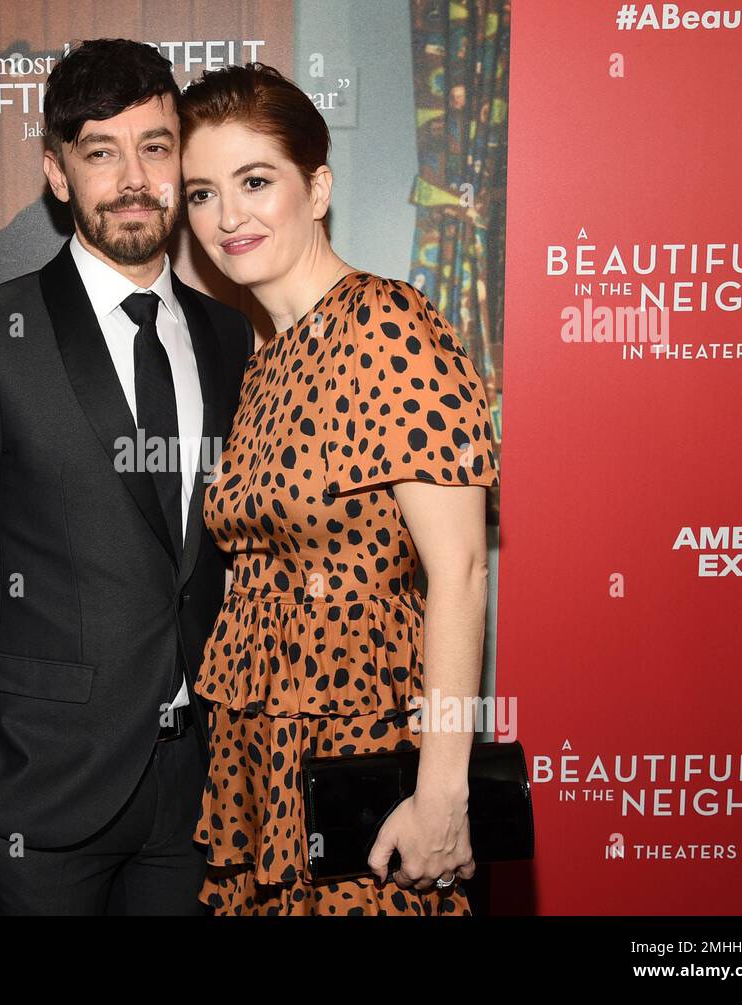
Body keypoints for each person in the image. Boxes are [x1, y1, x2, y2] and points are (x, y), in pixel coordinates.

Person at [0, 38, 254, 915]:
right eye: (102, 151)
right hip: (37, 796)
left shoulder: (226, 334)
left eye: (155, 147)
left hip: (195, 792)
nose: (133, 177)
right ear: (58, 173)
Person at [179, 63, 500, 915]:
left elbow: (460, 569)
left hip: (361, 752)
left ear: (316, 187)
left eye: (255, 181)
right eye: (202, 193)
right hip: (260, 763)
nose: (227, 216)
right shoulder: (264, 363)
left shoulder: (386, 323)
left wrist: (441, 795)